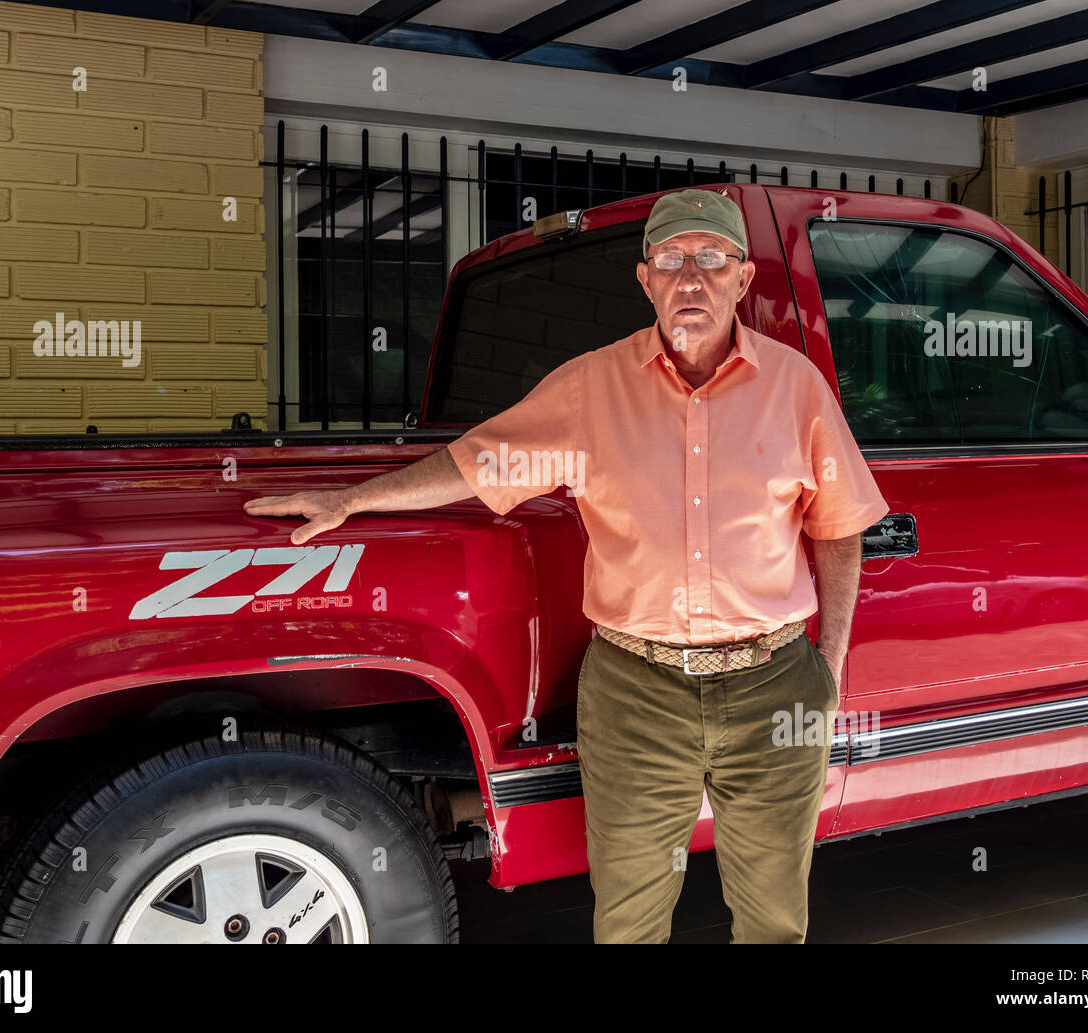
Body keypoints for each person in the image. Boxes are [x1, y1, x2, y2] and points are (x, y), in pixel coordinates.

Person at [244, 187, 889, 943]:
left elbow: (840, 530)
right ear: (645, 279)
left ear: (743, 279)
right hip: (637, 691)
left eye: (711, 260)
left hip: (773, 680)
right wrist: (353, 499)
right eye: (672, 260)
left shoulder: (795, 388)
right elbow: (475, 460)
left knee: (776, 913)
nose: (691, 278)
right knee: (628, 916)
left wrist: (832, 660)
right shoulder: (590, 389)